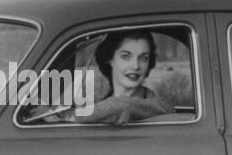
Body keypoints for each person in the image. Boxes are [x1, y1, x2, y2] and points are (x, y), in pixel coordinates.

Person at [33, 29, 172, 124]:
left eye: (144, 58)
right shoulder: (100, 104)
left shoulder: (158, 105)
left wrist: (60, 116)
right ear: (110, 59)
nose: (135, 66)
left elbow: (122, 107)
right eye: (126, 56)